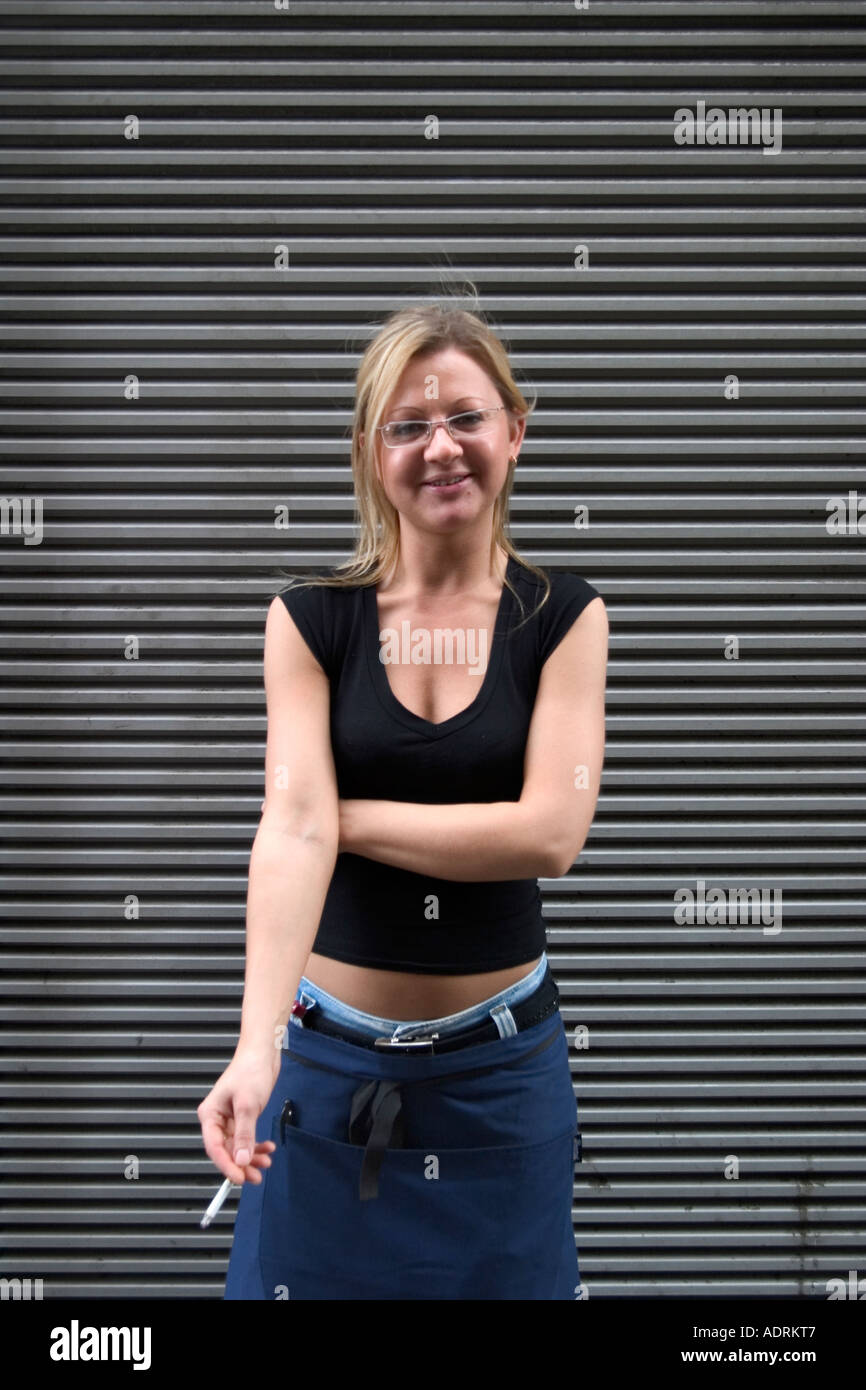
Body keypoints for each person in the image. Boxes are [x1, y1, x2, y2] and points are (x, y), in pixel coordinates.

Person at [197, 293, 608, 1300]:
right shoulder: (309, 622)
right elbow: (290, 830)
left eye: (465, 417)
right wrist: (256, 1051)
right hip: (326, 1073)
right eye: (409, 425)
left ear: (514, 429)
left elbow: (549, 832)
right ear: (369, 451)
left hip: (500, 1082)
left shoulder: (564, 616)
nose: (441, 447)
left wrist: (347, 820)